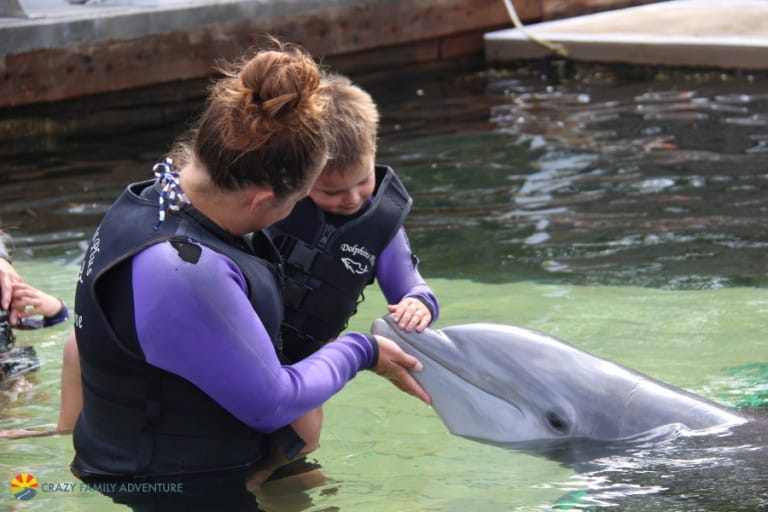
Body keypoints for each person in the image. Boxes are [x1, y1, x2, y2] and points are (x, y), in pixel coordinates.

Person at [68, 39, 429, 511]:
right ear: (262, 200)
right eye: (295, 201)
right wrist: (362, 350)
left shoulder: (161, 194)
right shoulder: (184, 271)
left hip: (205, 449)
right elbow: (273, 403)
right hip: (181, 485)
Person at [264, 74, 439, 466]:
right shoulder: (270, 205)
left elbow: (410, 284)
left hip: (303, 363)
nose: (353, 199)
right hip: (252, 348)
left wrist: (419, 303)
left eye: (363, 181)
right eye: (331, 191)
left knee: (301, 442)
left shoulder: (379, 226)